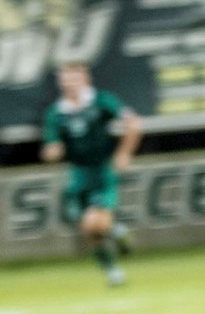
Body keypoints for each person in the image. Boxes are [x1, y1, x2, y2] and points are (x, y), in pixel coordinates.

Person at [42, 62, 141, 287]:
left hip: (102, 170)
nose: (70, 82)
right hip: (78, 174)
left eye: (74, 77)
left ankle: (115, 242)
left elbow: (133, 123)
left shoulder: (101, 101)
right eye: (65, 78)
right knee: (91, 231)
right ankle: (114, 265)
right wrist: (52, 150)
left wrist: (124, 153)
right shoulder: (56, 112)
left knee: (94, 222)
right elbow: (52, 143)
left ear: (85, 78)